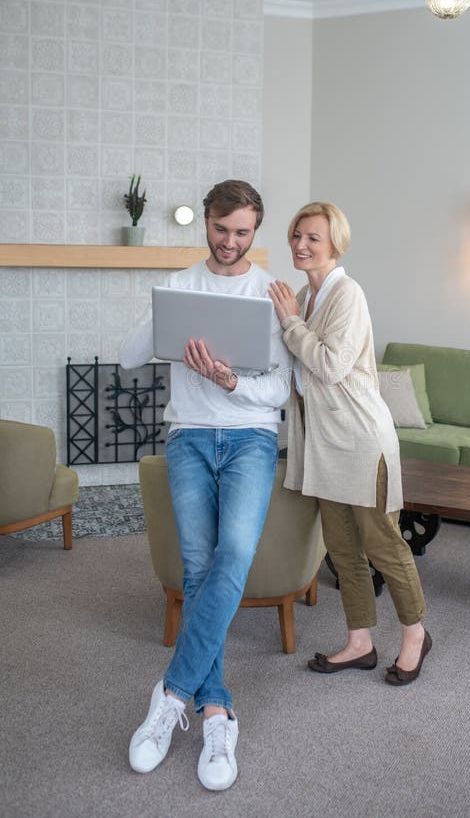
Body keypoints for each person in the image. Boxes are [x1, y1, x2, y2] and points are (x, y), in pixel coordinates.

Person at [119, 180, 291, 791]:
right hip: (190, 436)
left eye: (242, 232)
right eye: (221, 229)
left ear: (255, 230)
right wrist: (164, 314)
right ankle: (216, 710)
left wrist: (229, 381)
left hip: (250, 439)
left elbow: (281, 388)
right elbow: (127, 357)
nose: (230, 241)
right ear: (207, 224)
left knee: (234, 555)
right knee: (197, 570)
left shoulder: (270, 293)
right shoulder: (181, 284)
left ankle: (171, 695)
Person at [268, 201, 430, 685]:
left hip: (360, 441)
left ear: (335, 244)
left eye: (312, 238)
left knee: (384, 544)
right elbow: (297, 368)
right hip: (324, 446)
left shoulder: (347, 294)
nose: (300, 244)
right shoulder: (304, 295)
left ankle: (416, 634)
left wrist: (290, 322)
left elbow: (330, 365)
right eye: (297, 235)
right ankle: (360, 641)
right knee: (341, 551)